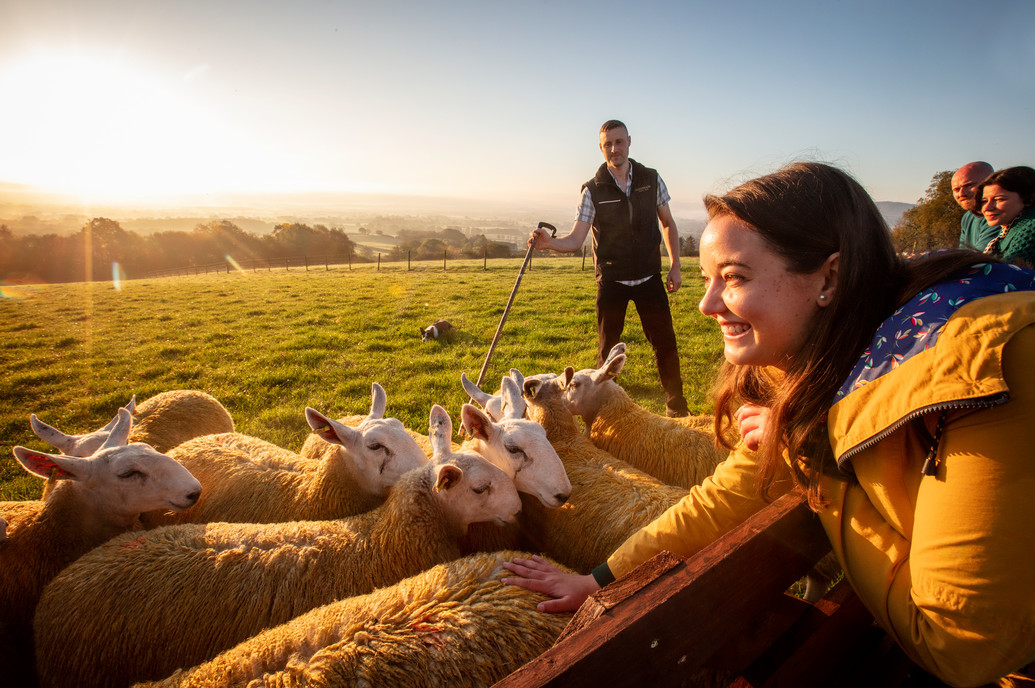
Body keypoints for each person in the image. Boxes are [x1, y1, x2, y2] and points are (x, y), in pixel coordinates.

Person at [505, 162, 1035, 687]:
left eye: (733, 278)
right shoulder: (836, 359)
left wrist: (813, 456)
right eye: (709, 278)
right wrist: (601, 580)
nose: (707, 303)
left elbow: (961, 645)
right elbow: (727, 495)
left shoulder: (987, 368)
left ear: (829, 276)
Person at [528, 120, 689, 417]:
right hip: (612, 280)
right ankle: (603, 416)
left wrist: (675, 266)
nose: (614, 149)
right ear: (601, 148)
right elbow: (576, 239)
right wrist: (548, 243)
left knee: (666, 345)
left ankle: (677, 410)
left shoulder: (651, 179)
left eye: (619, 142)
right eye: (608, 144)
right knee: (606, 358)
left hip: (649, 277)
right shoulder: (592, 190)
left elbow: (667, 223)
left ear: (629, 141)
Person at [977, 165, 1035, 268]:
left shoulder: (1031, 226)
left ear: (1028, 199)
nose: (987, 208)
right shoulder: (1009, 227)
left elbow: (1007, 272)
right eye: (984, 201)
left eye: (999, 199)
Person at [952, 161, 997, 250]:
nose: (961, 194)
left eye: (968, 185)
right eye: (956, 189)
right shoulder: (968, 217)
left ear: (989, 184)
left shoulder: (997, 216)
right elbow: (963, 254)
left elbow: (978, 258)